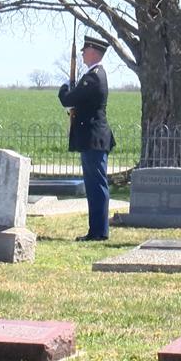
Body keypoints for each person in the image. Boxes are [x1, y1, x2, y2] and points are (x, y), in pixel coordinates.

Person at [58, 35, 116, 241]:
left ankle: (99, 231)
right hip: (93, 137)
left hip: (94, 138)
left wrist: (65, 87)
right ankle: (97, 230)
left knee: (96, 186)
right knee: (94, 185)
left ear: (93, 52)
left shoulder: (93, 77)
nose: (82, 53)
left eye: (85, 50)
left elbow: (68, 99)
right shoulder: (94, 75)